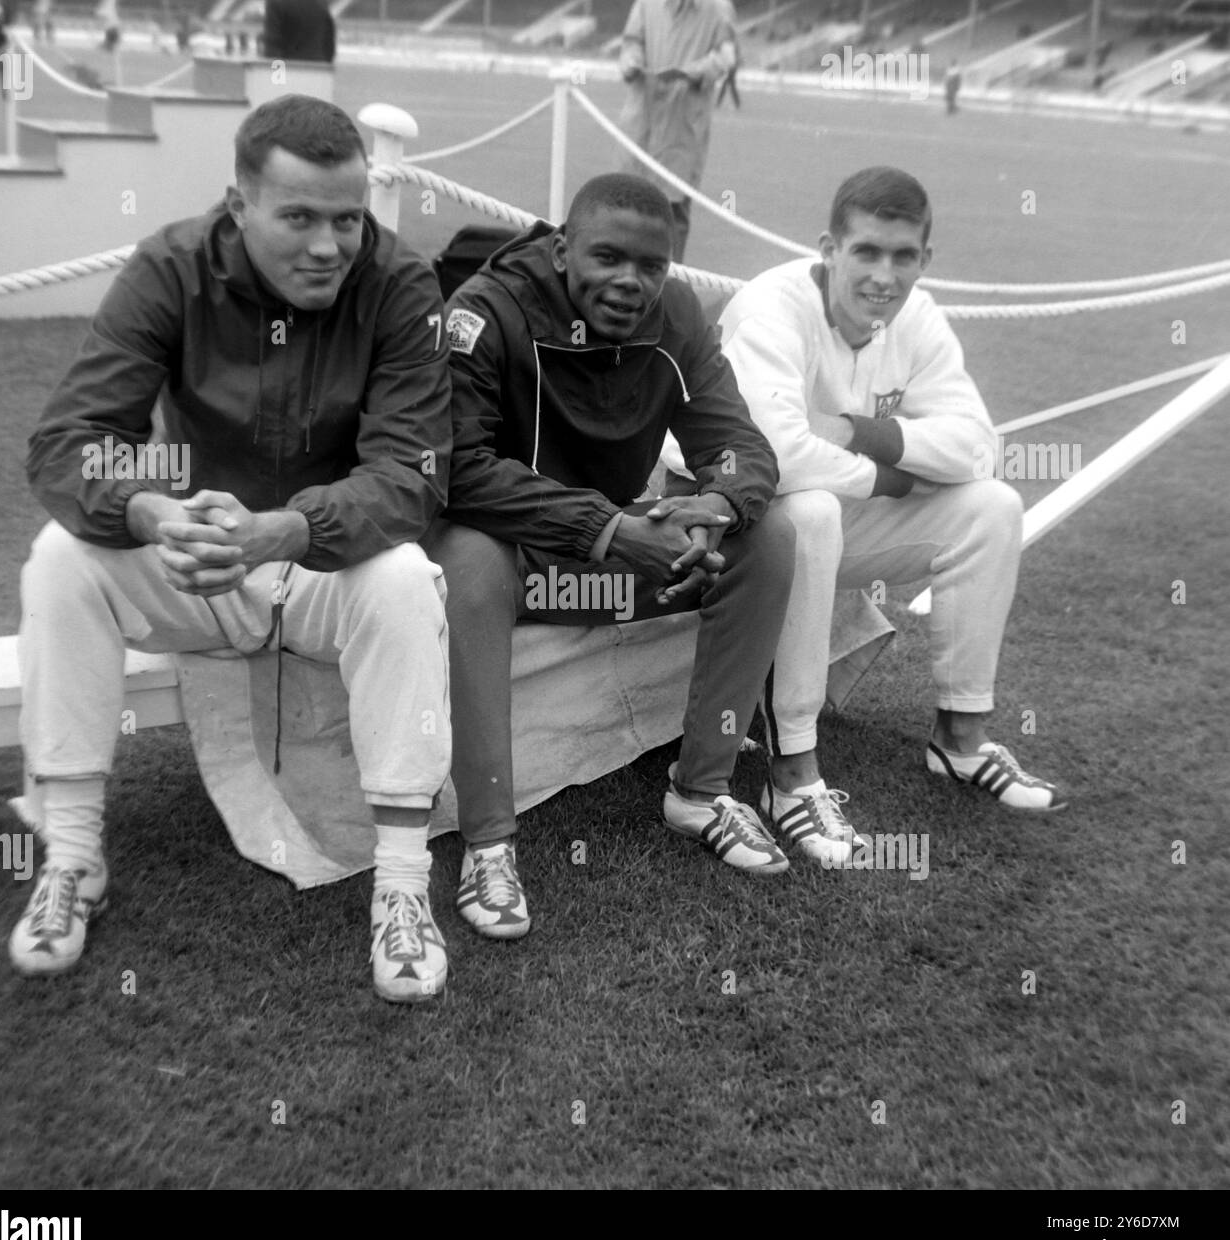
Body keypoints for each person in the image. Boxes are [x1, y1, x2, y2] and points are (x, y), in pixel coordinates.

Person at [10, 96, 454, 1005]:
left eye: (347, 219)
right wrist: (148, 514)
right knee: (63, 555)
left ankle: (403, 885)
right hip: (197, 556)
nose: (330, 246)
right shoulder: (172, 264)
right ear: (237, 204)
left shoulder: (401, 283)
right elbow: (69, 442)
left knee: (407, 576)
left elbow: (411, 478)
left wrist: (285, 528)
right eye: (298, 217)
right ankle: (72, 855)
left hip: (319, 562)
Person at [425, 172, 796, 943]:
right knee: (468, 556)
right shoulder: (484, 312)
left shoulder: (679, 318)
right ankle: (488, 842)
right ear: (562, 251)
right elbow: (453, 472)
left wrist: (716, 508)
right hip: (519, 557)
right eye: (607, 258)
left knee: (769, 536)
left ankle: (701, 791)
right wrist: (612, 529)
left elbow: (737, 445)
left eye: (652, 266)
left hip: (604, 567)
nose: (631, 283)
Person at [707, 166, 1064, 866]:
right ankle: (793, 778)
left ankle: (959, 743)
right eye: (866, 251)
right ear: (828, 248)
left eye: (904, 257)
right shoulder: (770, 307)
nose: (884, 275)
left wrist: (853, 431)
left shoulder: (917, 316)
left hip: (845, 508)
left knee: (992, 507)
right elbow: (772, 455)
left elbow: (977, 448)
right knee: (808, 509)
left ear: (924, 261)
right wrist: (888, 478)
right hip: (729, 525)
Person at [618, 0, 738, 262]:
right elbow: (631, 42)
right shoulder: (646, 4)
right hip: (642, 122)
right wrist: (631, 61)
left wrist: (692, 72)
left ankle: (668, 292)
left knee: (671, 213)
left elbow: (726, 58)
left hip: (682, 125)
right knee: (630, 209)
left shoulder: (717, 8)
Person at [263, 0, 336, 64]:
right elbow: (329, 42)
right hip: (318, 68)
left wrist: (277, 77)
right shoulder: (321, 3)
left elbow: (272, 46)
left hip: (290, 69)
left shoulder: (275, 3)